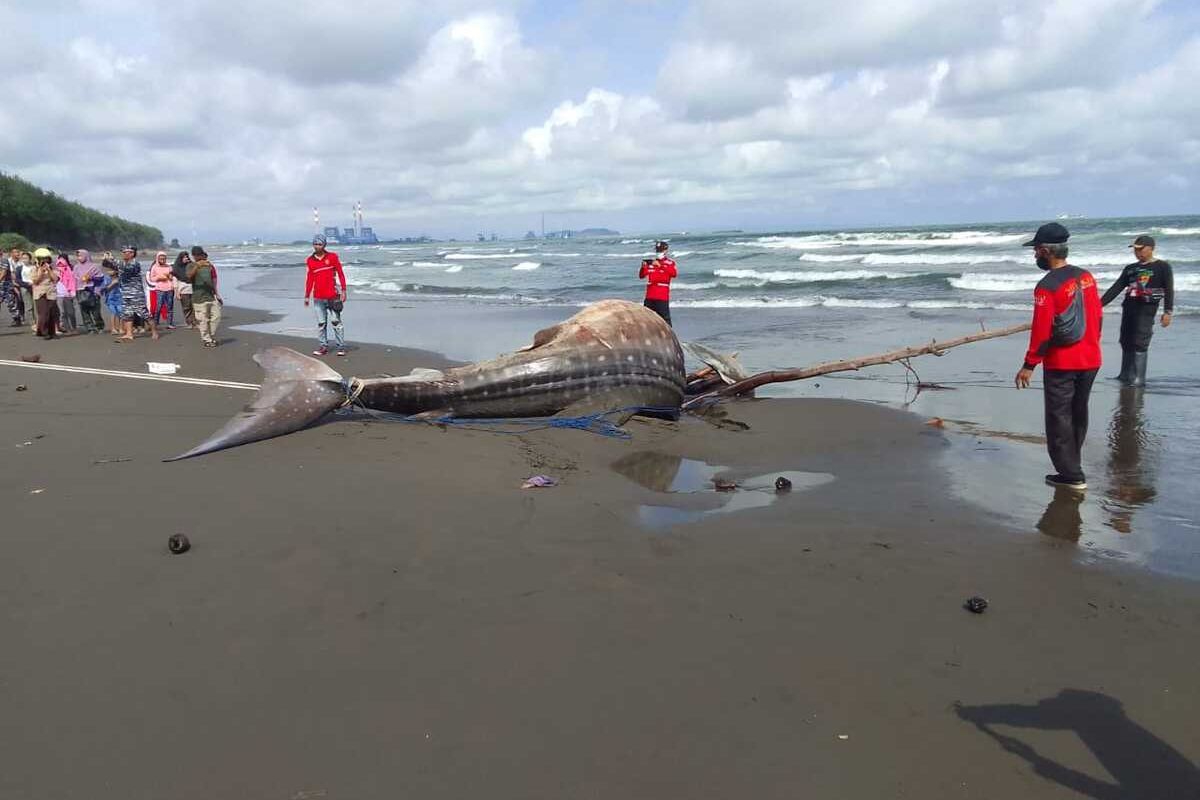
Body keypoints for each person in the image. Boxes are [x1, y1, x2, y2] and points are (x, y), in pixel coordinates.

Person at [1014, 222, 1103, 491]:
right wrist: (1092, 344)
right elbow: (1097, 315)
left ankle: (1070, 475)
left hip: (1063, 363)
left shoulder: (1047, 286)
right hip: (1091, 358)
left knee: (1058, 418)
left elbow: (1041, 331)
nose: (1034, 256)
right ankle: (1073, 465)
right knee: (1078, 413)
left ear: (1045, 251)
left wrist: (1029, 364)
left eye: (1036, 251)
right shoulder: (1086, 276)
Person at [1100, 234, 1173, 387]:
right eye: (1135, 250)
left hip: (1146, 309)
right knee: (1125, 340)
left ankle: (1139, 378)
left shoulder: (1162, 267)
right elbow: (1116, 288)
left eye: (1140, 249)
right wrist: (1098, 305)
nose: (1137, 253)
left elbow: (1169, 289)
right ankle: (1125, 374)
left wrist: (1168, 312)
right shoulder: (1130, 269)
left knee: (1140, 341)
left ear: (1151, 249)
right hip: (1129, 308)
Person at [303, 233, 347, 356]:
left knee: (336, 321)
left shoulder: (332, 257)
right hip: (318, 298)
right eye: (315, 244)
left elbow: (340, 273)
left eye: (320, 244)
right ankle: (323, 346)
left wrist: (343, 290)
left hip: (333, 296)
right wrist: (307, 295)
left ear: (324, 245)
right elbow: (310, 279)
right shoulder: (310, 260)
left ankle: (341, 347)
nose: (317, 246)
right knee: (321, 323)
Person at [116, 245, 156, 341]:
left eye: (127, 252)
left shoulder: (135, 263)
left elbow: (127, 269)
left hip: (136, 294)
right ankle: (129, 334)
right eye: (123, 252)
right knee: (127, 314)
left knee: (144, 314)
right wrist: (107, 260)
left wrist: (113, 261)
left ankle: (154, 331)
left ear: (132, 254)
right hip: (125, 293)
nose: (124, 254)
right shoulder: (121, 263)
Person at [186, 246, 221, 347]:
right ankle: (206, 339)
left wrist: (217, 294)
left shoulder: (209, 265)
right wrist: (197, 266)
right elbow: (188, 277)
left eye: (200, 254)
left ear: (202, 254)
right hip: (198, 297)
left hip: (210, 296)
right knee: (202, 320)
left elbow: (214, 280)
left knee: (217, 316)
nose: (198, 257)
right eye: (196, 255)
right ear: (193, 256)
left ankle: (211, 335)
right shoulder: (191, 265)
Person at [638, 240, 677, 326]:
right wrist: (643, 267)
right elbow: (641, 276)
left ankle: (670, 338)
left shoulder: (670, 263)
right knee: (647, 320)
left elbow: (674, 274)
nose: (658, 252)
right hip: (649, 296)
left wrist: (660, 265)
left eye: (660, 250)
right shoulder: (651, 263)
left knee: (665, 320)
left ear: (666, 250)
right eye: (657, 250)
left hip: (661, 297)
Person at [30, 248, 60, 339]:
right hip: (39, 292)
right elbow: (35, 281)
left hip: (51, 292)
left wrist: (49, 270)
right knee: (43, 313)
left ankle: (52, 332)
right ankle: (44, 331)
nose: (44, 260)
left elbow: (55, 279)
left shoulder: (53, 268)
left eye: (46, 258)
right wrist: (41, 272)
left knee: (52, 313)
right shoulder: (34, 268)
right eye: (42, 258)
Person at [74, 249, 105, 333]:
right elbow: (75, 279)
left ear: (86, 256)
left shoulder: (94, 267)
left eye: (80, 256)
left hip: (93, 291)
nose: (79, 258)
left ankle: (99, 326)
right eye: (78, 256)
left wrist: (91, 278)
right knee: (84, 311)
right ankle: (90, 327)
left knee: (96, 311)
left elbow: (101, 278)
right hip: (80, 290)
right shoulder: (76, 267)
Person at [148, 251, 175, 329]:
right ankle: (156, 323)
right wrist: (159, 278)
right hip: (159, 289)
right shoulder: (154, 267)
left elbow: (172, 278)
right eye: (161, 258)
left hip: (169, 288)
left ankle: (170, 323)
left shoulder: (169, 267)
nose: (162, 260)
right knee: (158, 306)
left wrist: (169, 278)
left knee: (169, 306)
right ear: (158, 258)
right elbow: (151, 278)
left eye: (164, 258)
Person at [55, 251, 78, 334]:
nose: (61, 262)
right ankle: (67, 328)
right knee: (62, 312)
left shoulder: (71, 269)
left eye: (63, 259)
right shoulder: (56, 271)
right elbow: (54, 280)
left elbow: (74, 281)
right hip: (59, 294)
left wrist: (73, 291)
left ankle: (74, 327)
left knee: (71, 312)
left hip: (68, 293)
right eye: (59, 259)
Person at [172, 250, 195, 328]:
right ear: (180, 258)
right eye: (184, 257)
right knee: (186, 307)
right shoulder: (176, 268)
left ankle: (194, 322)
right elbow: (175, 281)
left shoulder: (192, 266)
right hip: (183, 289)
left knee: (194, 306)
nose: (186, 258)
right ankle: (189, 322)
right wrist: (176, 293)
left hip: (193, 289)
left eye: (187, 257)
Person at [100, 257, 123, 334]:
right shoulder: (106, 278)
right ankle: (113, 328)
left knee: (121, 312)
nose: (110, 272)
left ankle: (120, 328)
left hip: (120, 297)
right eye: (108, 270)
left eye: (111, 270)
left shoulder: (120, 277)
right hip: (110, 297)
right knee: (113, 312)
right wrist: (113, 283)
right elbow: (104, 288)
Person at [17, 251, 37, 332]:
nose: (24, 260)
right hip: (25, 288)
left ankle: (38, 322)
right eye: (23, 258)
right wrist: (26, 284)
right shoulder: (19, 268)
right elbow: (18, 280)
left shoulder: (34, 267)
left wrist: (33, 283)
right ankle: (33, 324)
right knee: (28, 306)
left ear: (30, 259)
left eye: (26, 258)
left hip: (34, 287)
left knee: (36, 305)